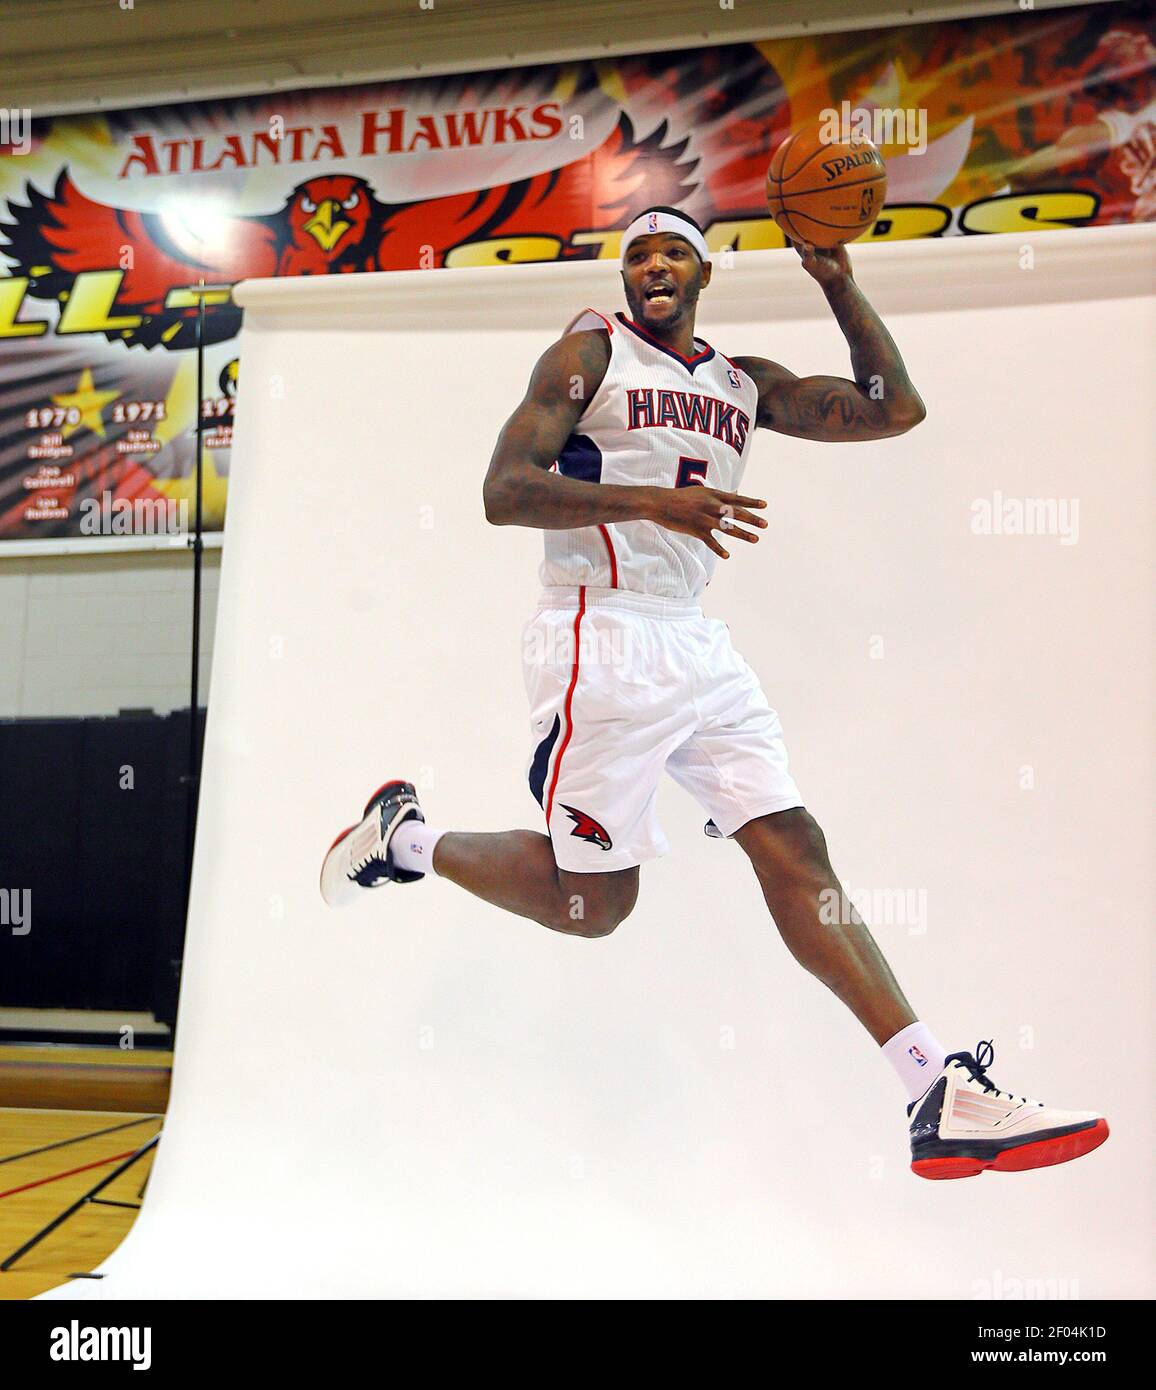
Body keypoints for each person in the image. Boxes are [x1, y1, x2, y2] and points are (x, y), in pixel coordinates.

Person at [321, 204, 1108, 1180]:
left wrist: (834, 279)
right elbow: (503, 490)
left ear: (702, 273)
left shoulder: (741, 382)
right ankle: (404, 837)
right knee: (595, 906)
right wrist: (650, 499)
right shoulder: (588, 353)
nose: (653, 266)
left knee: (791, 838)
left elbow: (891, 408)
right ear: (625, 277)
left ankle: (930, 1089)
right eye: (638, 254)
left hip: (695, 641)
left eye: (672, 254)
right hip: (598, 634)